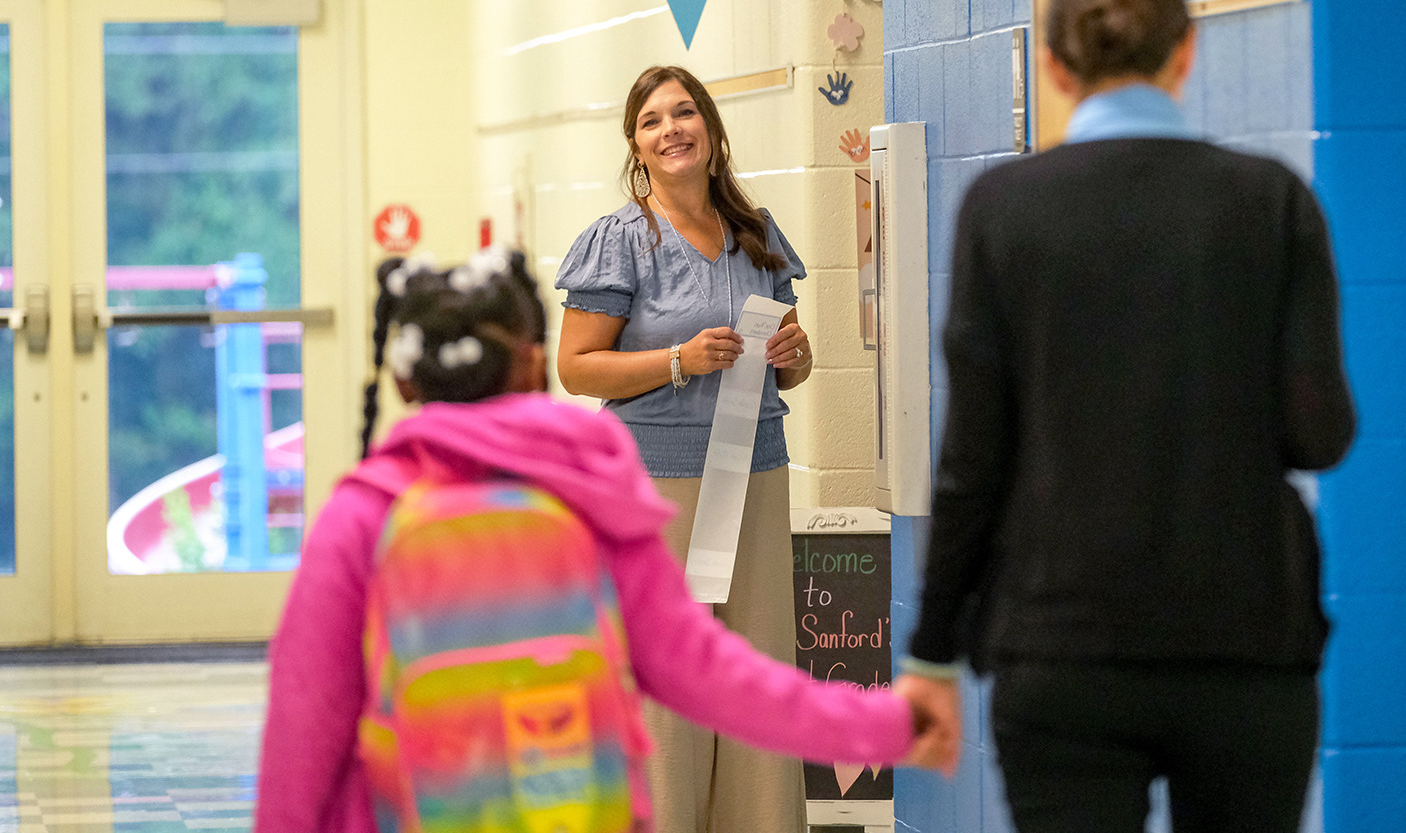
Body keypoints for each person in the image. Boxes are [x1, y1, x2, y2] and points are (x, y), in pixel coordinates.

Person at [895, 0, 1357, 833]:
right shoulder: (1272, 202)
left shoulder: (1003, 207)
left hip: (1060, 644)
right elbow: (1320, 435)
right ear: (1186, 53)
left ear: (1057, 68)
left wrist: (934, 655)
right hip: (1243, 636)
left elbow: (973, 458)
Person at [254, 248, 947, 833]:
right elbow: (711, 674)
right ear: (531, 365)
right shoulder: (590, 497)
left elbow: (304, 730)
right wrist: (889, 722)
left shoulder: (364, 517)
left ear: (405, 383)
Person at [554, 65, 814, 833]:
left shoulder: (758, 233)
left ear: (710, 127)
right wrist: (677, 361)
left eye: (685, 112)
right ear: (636, 144)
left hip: (753, 474)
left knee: (757, 667)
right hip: (658, 488)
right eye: (652, 121)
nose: (672, 129)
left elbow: (794, 369)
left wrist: (795, 353)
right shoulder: (620, 241)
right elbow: (576, 368)